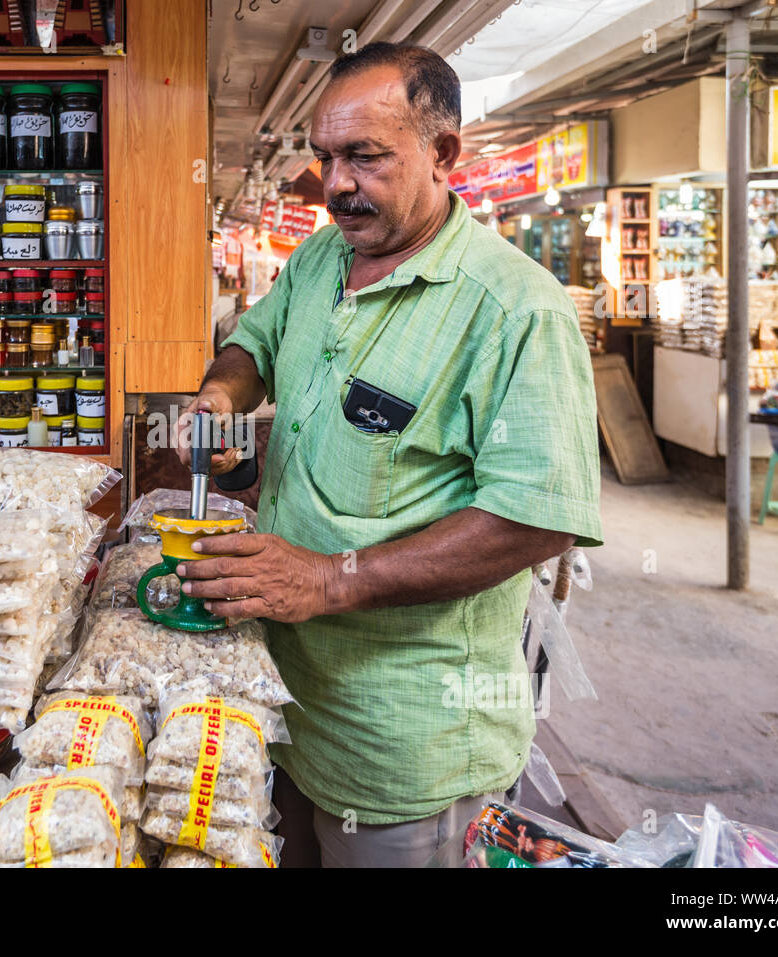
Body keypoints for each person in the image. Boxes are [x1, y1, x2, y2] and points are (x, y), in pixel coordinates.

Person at [173, 42, 602, 867]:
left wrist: (329, 577)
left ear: (444, 154)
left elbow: (536, 521)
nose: (336, 184)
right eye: (326, 156)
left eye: (365, 157)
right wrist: (222, 394)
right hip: (287, 704)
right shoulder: (321, 258)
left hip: (407, 747)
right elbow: (251, 344)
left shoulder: (515, 312)